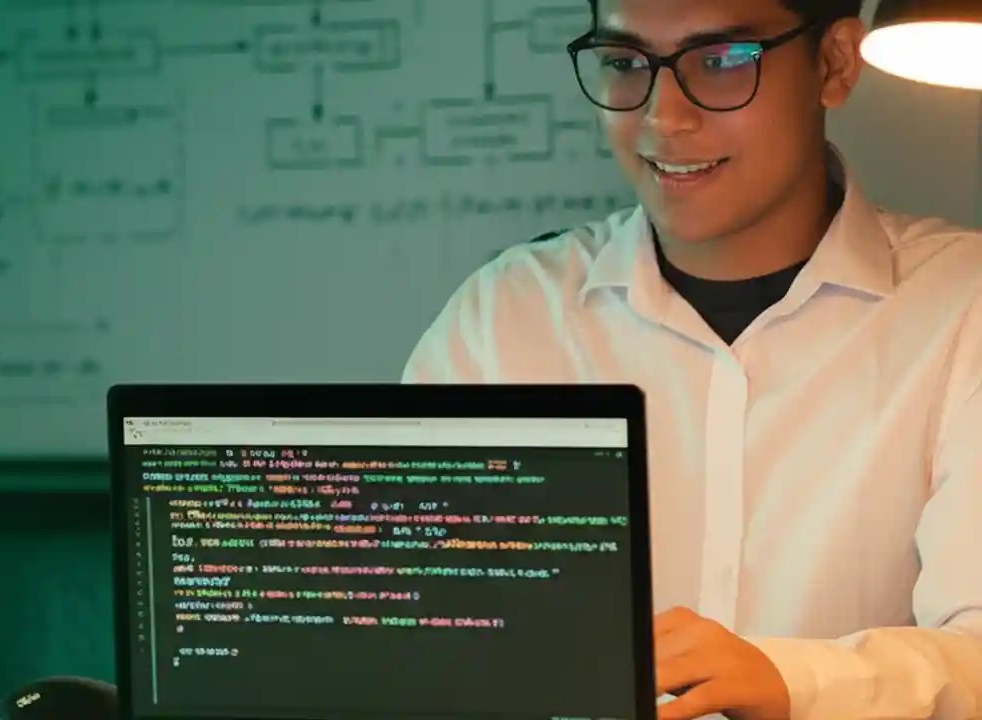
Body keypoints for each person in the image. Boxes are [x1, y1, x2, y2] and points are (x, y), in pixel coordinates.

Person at [402, 0, 982, 718]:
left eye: (721, 62)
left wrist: (789, 679)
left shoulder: (965, 307)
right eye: (626, 64)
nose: (663, 116)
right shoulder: (507, 318)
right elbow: (425, 637)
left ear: (833, 63)